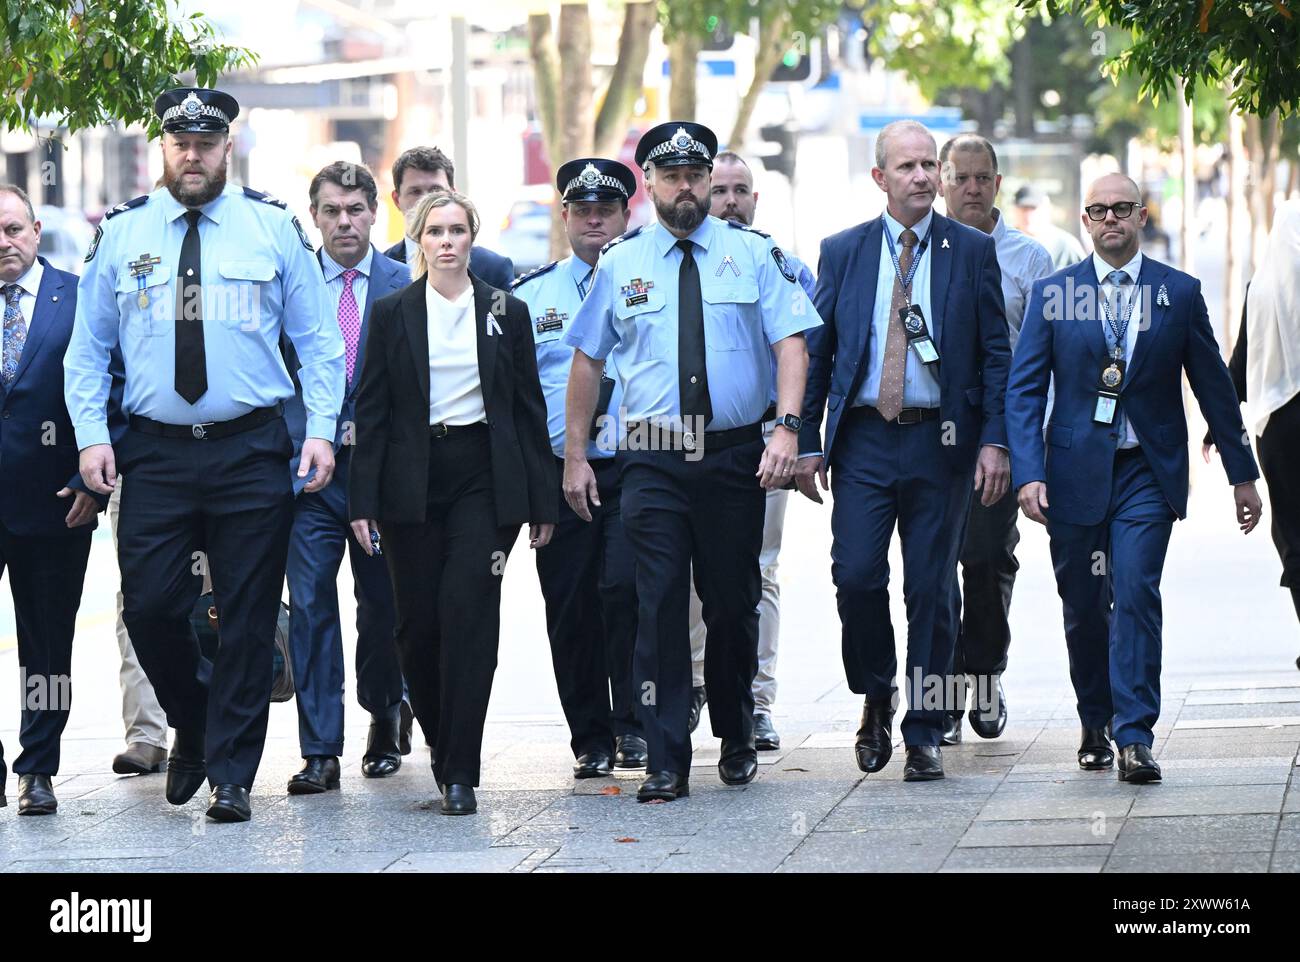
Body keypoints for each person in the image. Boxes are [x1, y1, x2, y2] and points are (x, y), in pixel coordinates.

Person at [64, 87, 345, 823]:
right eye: (180, 142)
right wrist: (93, 435)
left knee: (250, 617)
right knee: (151, 605)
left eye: (207, 142)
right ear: (163, 147)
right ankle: (193, 718)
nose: (193, 155)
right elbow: (87, 350)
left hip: (251, 449)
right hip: (153, 453)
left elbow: (320, 344)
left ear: (229, 147)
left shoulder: (273, 226)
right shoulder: (123, 232)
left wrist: (319, 429)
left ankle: (232, 775)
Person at [562, 121, 818, 802]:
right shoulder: (621, 262)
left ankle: (735, 733)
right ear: (649, 184)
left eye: (695, 176)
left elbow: (791, 343)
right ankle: (666, 756)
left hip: (735, 457)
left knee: (733, 603)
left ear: (710, 181)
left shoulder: (754, 254)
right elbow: (586, 360)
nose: (685, 188)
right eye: (671, 177)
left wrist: (787, 430)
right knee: (659, 601)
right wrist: (577, 455)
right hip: (651, 458)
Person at [1007, 172, 1262, 783]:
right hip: (1072, 473)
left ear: (1142, 216)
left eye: (1124, 208)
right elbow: (1023, 390)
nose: (1112, 219)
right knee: (1086, 604)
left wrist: (1241, 473)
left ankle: (1135, 735)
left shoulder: (1179, 292)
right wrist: (1028, 473)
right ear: (1087, 220)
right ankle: (1095, 718)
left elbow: (1214, 386)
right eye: (1100, 210)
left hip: (1147, 469)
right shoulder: (1054, 294)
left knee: (1137, 590)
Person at [795, 119, 1011, 783]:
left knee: (931, 590)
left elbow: (997, 354)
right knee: (857, 575)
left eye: (929, 167)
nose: (922, 177)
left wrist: (996, 440)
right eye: (909, 167)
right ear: (880, 177)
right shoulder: (846, 251)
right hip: (862, 439)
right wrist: (806, 439)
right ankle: (877, 690)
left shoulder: (970, 251)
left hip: (938, 442)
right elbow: (821, 350)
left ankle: (924, 730)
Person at [349, 191, 556, 816]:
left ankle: (462, 765)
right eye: (434, 231)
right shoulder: (391, 313)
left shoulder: (505, 311)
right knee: (417, 626)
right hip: (410, 481)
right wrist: (362, 499)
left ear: (472, 238)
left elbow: (527, 409)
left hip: (484, 480)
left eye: (457, 230)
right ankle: (442, 744)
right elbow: (373, 410)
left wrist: (541, 497)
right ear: (418, 239)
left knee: (469, 611)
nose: (446, 241)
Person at [511, 157, 646, 778]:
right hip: (558, 469)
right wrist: (535, 487)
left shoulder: (655, 280)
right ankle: (590, 737)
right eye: (582, 210)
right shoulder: (527, 297)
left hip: (637, 463)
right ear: (564, 216)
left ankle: (635, 724)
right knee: (570, 608)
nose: (595, 220)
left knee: (628, 592)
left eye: (607, 210)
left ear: (626, 215)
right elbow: (512, 402)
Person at [279, 161, 410, 795]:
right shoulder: (291, 283)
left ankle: (385, 713)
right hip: (311, 477)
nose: (345, 222)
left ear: (374, 213)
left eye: (356, 209)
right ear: (316, 218)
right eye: (331, 211)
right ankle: (320, 748)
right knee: (308, 604)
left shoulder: (405, 284)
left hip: (379, 474)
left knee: (382, 605)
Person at [683, 150, 817, 750]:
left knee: (759, 571)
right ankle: (691, 687)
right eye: (720, 190)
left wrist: (797, 437)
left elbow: (808, 354)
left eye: (741, 190)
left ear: (755, 199)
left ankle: (757, 701)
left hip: (763, 437)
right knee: (690, 575)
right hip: (686, 440)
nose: (730, 200)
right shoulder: (678, 261)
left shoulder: (779, 264)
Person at [0, 185, 119, 814]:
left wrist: (90, 481)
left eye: (14, 228)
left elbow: (111, 388)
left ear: (36, 229)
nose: (4, 242)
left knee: (45, 643)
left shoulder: (76, 299)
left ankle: (38, 768)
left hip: (55, 502)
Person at [936, 134, 1055, 744]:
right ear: (941, 181)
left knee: (984, 560)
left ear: (998, 184)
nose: (973, 188)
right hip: (930, 437)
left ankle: (982, 674)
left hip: (998, 433)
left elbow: (1046, 359)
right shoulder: (921, 249)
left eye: (984, 178)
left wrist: (1028, 444)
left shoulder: (1030, 261)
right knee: (931, 568)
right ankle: (942, 691)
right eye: (962, 178)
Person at [1203, 198, 1300, 669]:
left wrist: (1216, 426)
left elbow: (1237, 370)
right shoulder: (1260, 290)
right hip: (1283, 431)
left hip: (1280, 432)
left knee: (1296, 540)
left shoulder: (1261, 290)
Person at [383, 147, 514, 288]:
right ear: (397, 200)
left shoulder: (493, 269)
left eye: (436, 191)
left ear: (453, 195)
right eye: (415, 191)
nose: (426, 201)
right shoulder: (378, 271)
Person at [1011, 184, 1086, 270]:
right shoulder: (1005, 242)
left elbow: (1084, 278)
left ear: (1046, 209)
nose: (1028, 215)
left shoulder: (1065, 245)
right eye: (1024, 209)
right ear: (1015, 210)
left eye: (1033, 208)